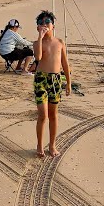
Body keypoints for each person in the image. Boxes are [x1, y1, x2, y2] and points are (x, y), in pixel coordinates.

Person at [33, 10, 71, 158]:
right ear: (37, 27)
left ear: (53, 25)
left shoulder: (60, 43)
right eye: (41, 23)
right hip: (41, 80)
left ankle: (52, 144)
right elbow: (38, 57)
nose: (44, 24)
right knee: (43, 114)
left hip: (55, 80)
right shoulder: (37, 43)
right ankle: (39, 144)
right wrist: (40, 37)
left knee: (53, 114)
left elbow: (65, 64)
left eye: (47, 22)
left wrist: (68, 82)